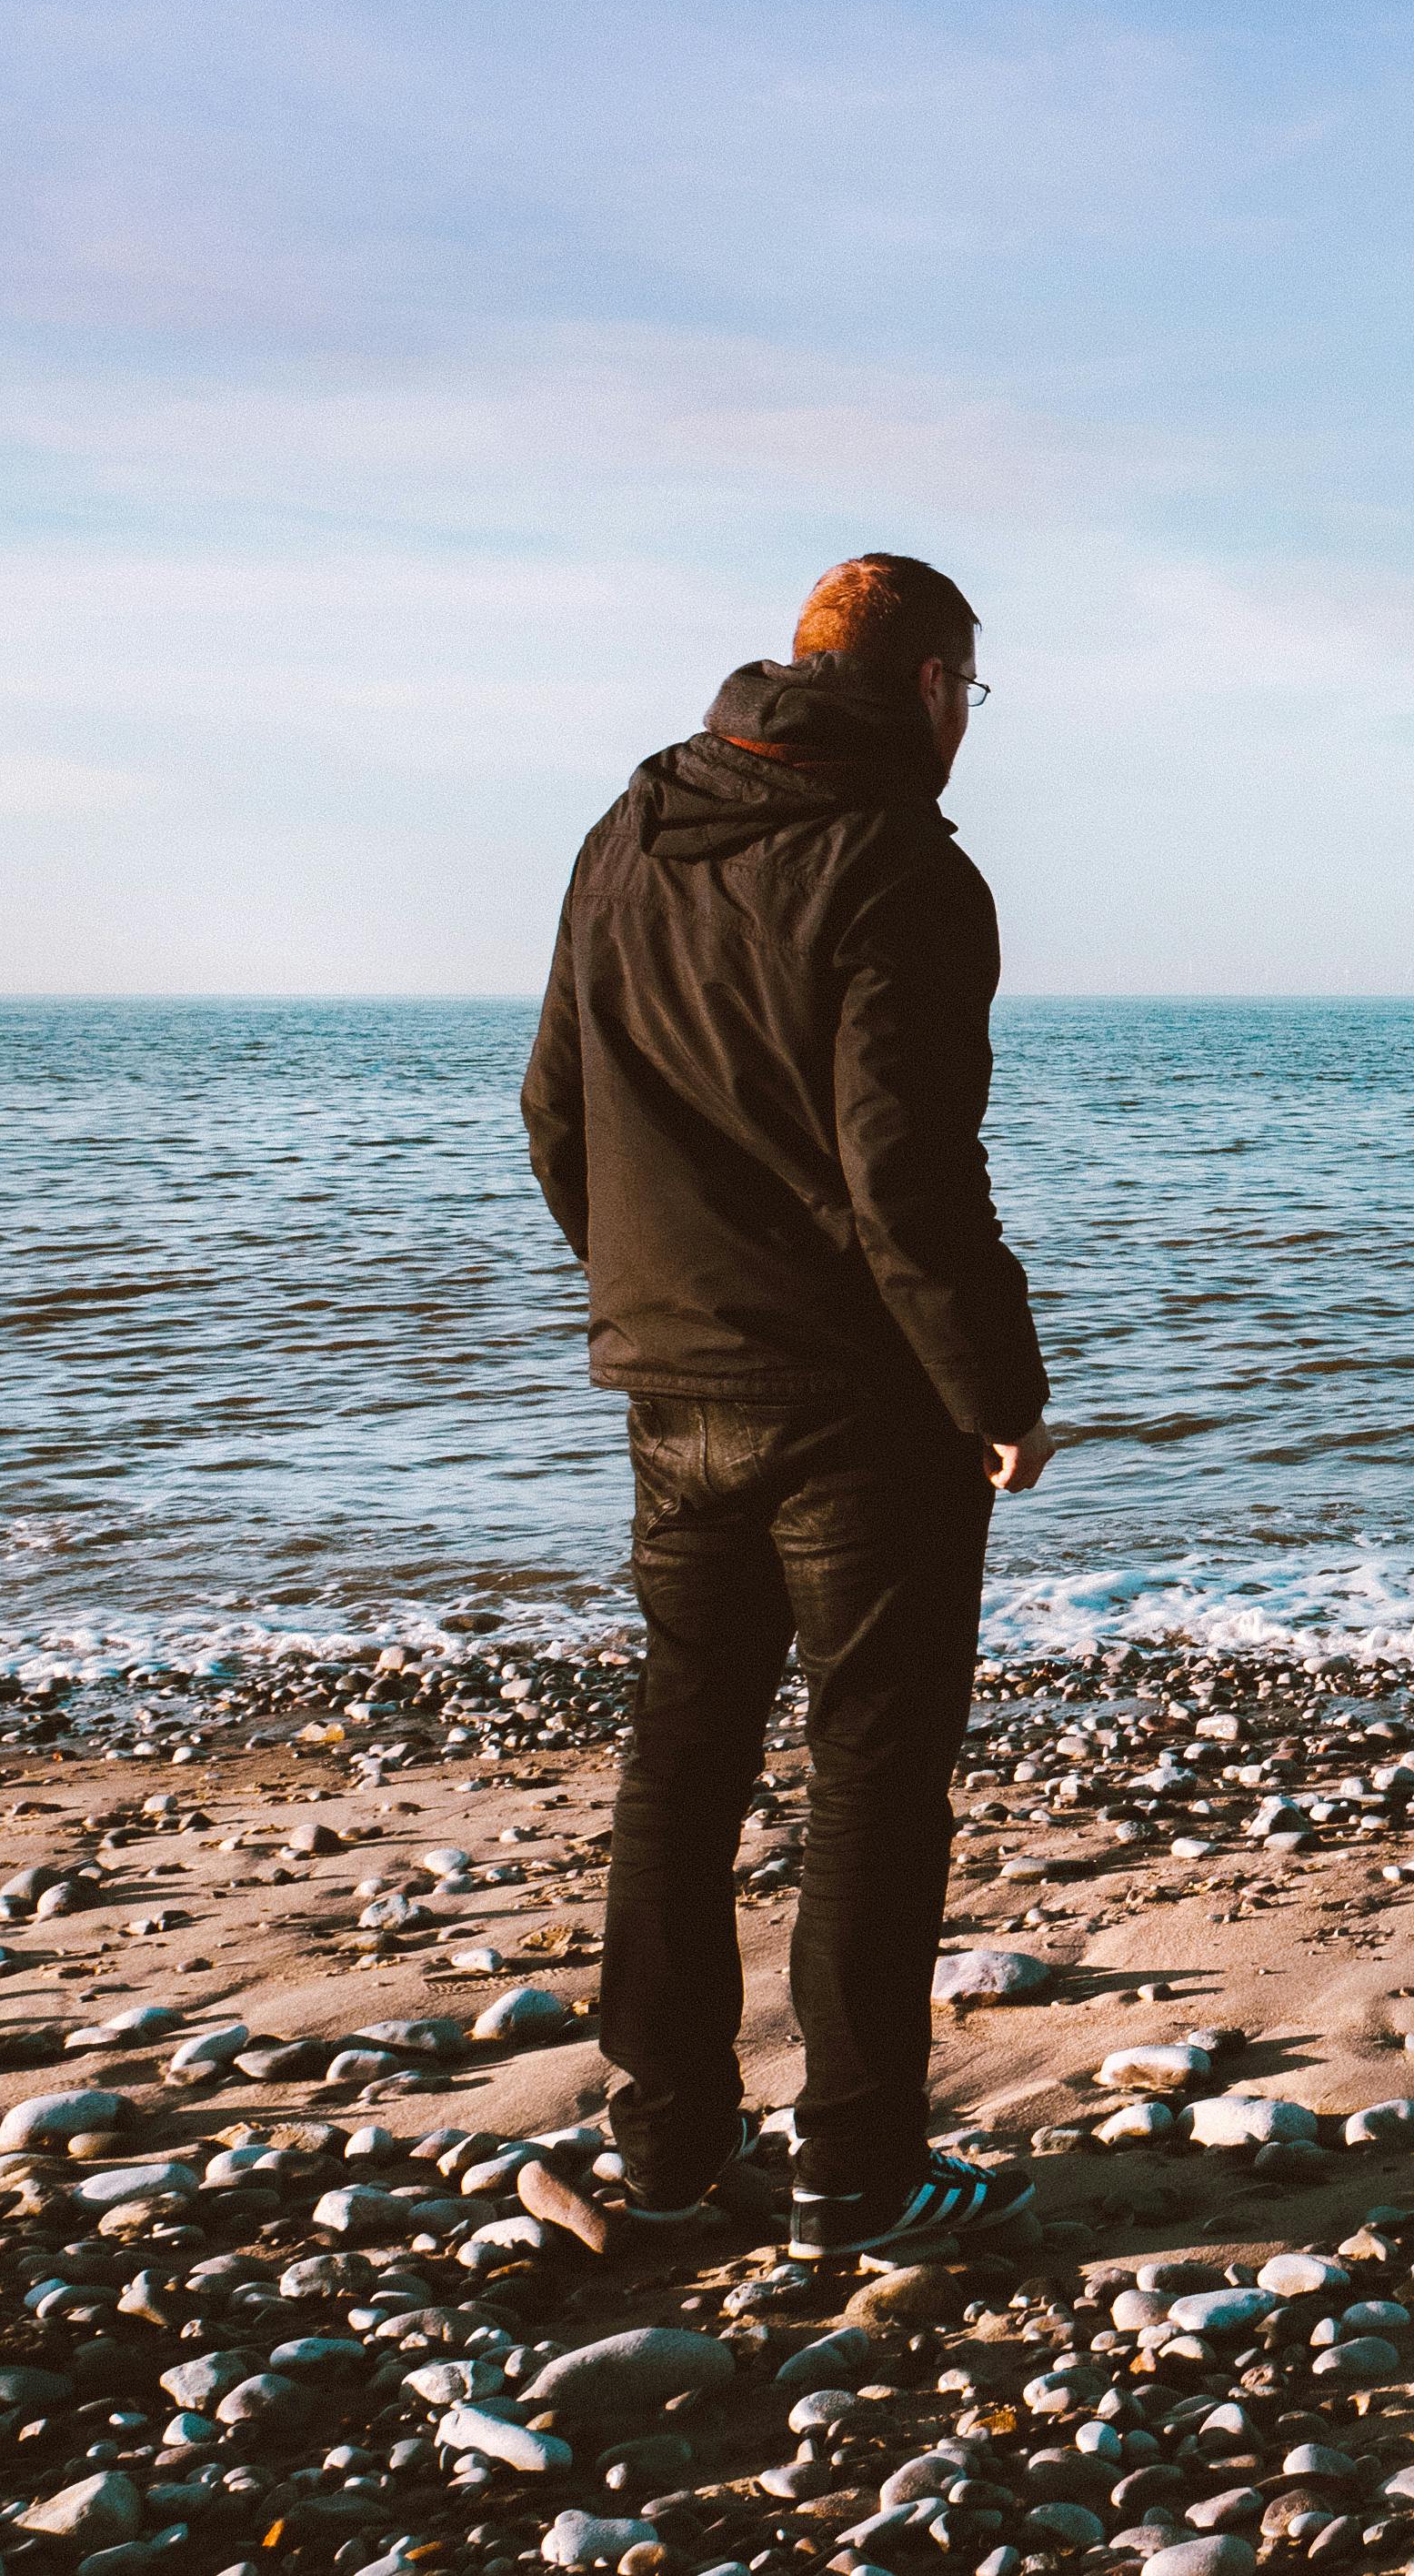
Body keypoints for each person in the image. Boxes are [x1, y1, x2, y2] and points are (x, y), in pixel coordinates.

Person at [522, 552, 1052, 2266]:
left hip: (672, 1379)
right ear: (923, 686)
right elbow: (906, 1171)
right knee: (875, 1777)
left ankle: (668, 2153)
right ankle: (858, 2172)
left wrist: (654, 1293)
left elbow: (554, 1106)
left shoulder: (635, 825)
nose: (969, 725)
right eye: (969, 692)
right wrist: (997, 1387)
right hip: (856, 1405)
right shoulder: (901, 865)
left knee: (684, 1758)